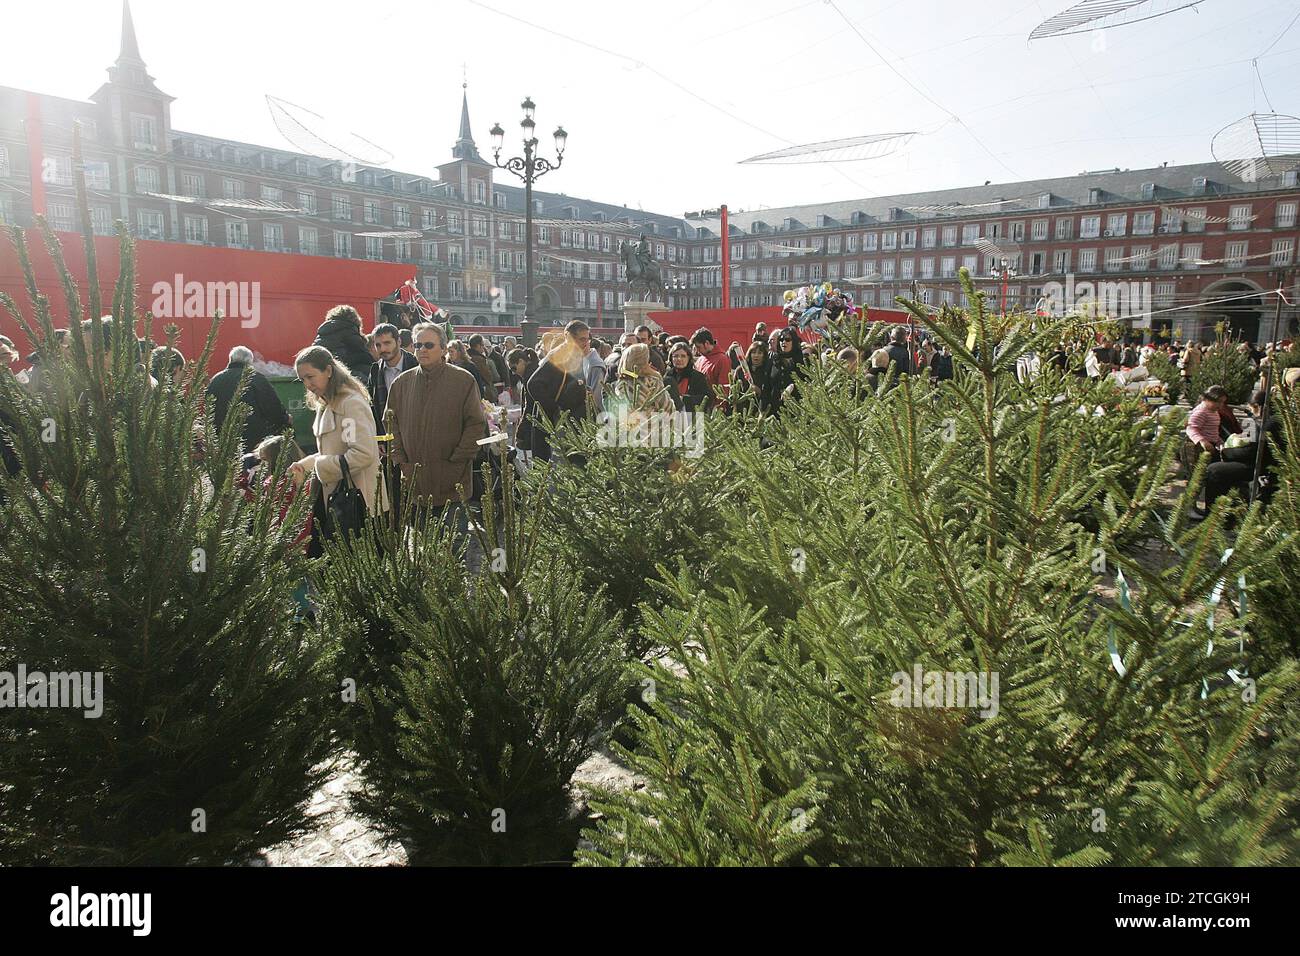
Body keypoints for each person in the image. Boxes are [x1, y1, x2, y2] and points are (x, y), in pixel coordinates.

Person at [384, 323, 487, 531]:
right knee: (424, 550)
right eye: (418, 345)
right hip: (416, 484)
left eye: (429, 345)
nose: (422, 350)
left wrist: (458, 460)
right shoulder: (401, 383)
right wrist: (401, 460)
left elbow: (476, 424)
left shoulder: (463, 380)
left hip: (453, 484)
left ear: (442, 348)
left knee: (454, 550)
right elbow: (390, 423)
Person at [290, 346, 389, 546]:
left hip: (361, 505)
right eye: (303, 380)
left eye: (311, 377)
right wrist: (304, 465)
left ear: (328, 371)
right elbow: (331, 451)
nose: (307, 384)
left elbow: (362, 454)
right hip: (341, 502)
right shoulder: (326, 404)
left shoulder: (350, 403)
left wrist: (320, 467)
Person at [206, 346, 292, 455]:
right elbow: (273, 408)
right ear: (250, 362)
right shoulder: (257, 379)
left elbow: (209, 411)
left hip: (223, 443)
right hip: (253, 445)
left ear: (231, 360)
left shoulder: (215, 380)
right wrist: (285, 419)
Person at [526, 322, 591, 463]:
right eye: (582, 339)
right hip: (555, 423)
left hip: (568, 421)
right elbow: (533, 384)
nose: (585, 343)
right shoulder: (559, 355)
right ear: (568, 337)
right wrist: (555, 408)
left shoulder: (574, 354)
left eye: (587, 339)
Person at [367, 323, 418, 432]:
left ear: (399, 342)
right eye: (378, 345)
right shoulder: (375, 370)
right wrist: (379, 437)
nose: (383, 349)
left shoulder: (415, 364)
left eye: (387, 343)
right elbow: (372, 406)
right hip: (386, 435)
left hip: (414, 432)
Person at [312, 304, 373, 379]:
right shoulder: (350, 331)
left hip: (322, 376)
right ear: (355, 320)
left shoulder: (320, 336)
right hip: (344, 376)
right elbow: (365, 357)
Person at [614, 342, 674, 416]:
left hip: (627, 425)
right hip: (653, 425)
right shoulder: (652, 381)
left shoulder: (620, 384)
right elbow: (668, 409)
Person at [663, 341, 712, 413]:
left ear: (689, 358)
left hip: (693, 417)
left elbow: (706, 398)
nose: (679, 359)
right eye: (676, 356)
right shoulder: (667, 376)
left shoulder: (698, 377)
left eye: (683, 356)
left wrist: (683, 399)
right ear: (671, 358)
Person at [691, 327, 730, 411]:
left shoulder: (722, 359)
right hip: (700, 407)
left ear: (707, 343)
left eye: (698, 347)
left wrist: (720, 406)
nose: (697, 350)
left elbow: (724, 386)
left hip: (714, 408)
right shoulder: (700, 359)